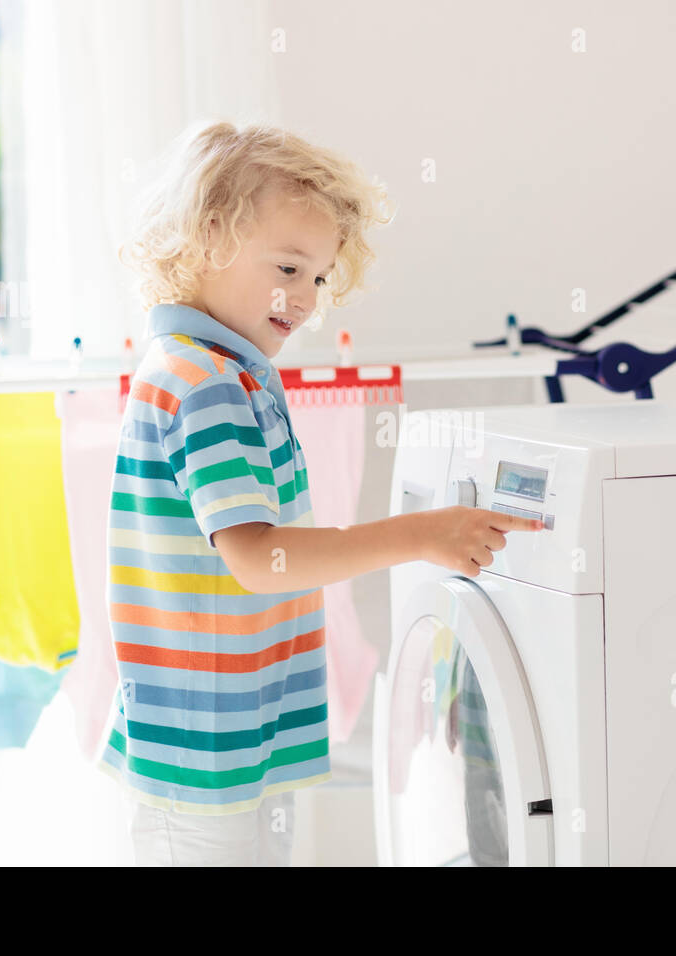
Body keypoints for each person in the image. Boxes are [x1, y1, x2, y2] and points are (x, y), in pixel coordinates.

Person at [96, 121, 544, 866]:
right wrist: (418, 534)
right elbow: (258, 558)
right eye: (289, 267)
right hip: (201, 755)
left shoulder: (220, 372)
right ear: (208, 237)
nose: (305, 298)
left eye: (320, 277)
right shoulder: (203, 383)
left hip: (231, 738)